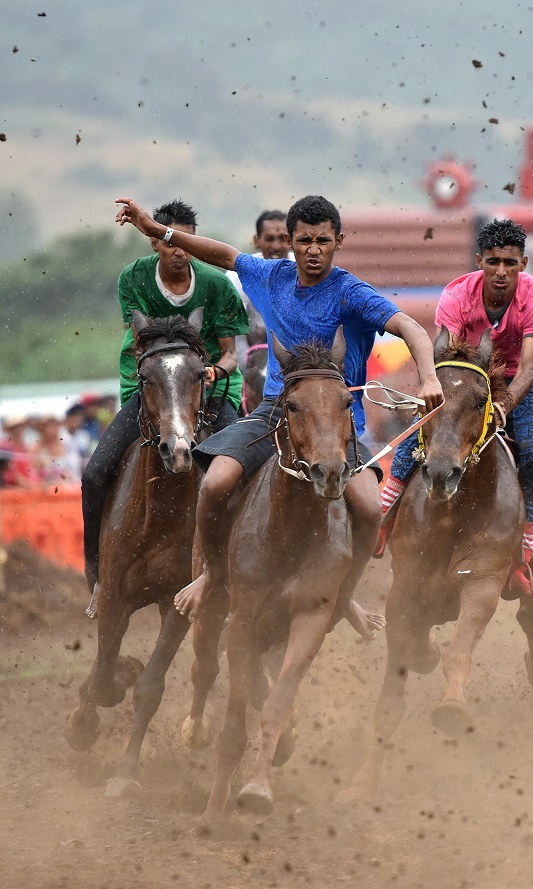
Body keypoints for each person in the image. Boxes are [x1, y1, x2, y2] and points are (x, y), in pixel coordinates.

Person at [113, 193, 444, 638]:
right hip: (273, 411)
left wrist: (428, 377)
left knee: (368, 509)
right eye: (304, 240)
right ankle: (211, 573)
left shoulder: (352, 293)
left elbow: (411, 328)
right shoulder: (271, 276)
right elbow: (223, 254)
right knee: (213, 483)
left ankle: (343, 595)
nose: (312, 249)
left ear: (338, 242)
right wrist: (158, 231)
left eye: (322, 241)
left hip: (336, 422)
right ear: (289, 241)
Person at [376, 218, 533, 599]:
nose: (501, 272)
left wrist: (503, 404)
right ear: (479, 261)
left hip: (522, 383)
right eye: (493, 261)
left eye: (510, 263)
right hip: (466, 377)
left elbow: (528, 368)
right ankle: (381, 518)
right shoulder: (457, 295)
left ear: (523, 264)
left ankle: (523, 554)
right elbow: (449, 357)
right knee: (417, 437)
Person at [81, 199, 250, 605]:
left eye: (186, 241)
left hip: (208, 390)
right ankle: (97, 574)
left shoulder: (218, 284)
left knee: (246, 472)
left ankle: (239, 572)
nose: (178, 249)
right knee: (94, 475)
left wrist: (213, 373)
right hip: (152, 392)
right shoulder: (133, 279)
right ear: (155, 243)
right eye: (167, 240)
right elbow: (141, 346)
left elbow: (230, 353)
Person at [226, 210, 292, 364]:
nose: (276, 246)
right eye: (269, 239)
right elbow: (234, 329)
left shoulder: (303, 270)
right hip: (251, 349)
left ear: (290, 240)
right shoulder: (237, 275)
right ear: (257, 241)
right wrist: (249, 369)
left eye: (282, 239)